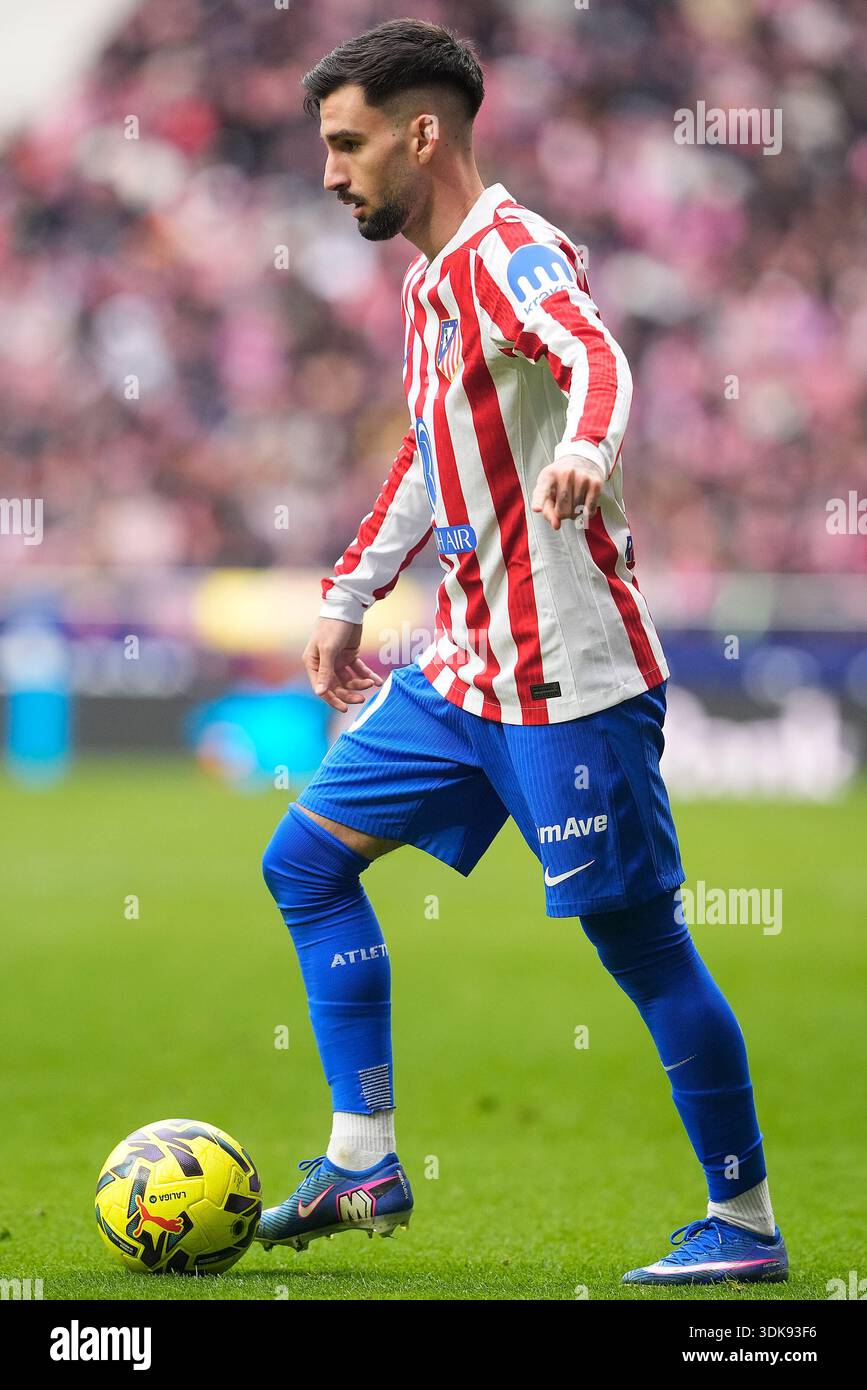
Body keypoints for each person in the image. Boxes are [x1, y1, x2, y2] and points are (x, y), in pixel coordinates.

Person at [256, 18, 786, 1286]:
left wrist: (587, 452)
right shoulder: (433, 279)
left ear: (421, 133)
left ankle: (749, 1227)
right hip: (459, 670)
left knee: (642, 945)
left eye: (349, 142)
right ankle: (363, 1155)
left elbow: (596, 357)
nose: (331, 172)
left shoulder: (512, 254)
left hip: (570, 690)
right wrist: (351, 591)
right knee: (305, 862)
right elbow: (431, 456)